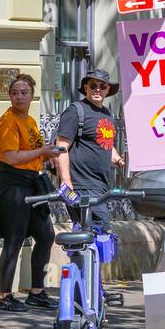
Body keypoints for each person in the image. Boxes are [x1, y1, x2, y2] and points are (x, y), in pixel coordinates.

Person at [0, 74, 58, 312]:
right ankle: (5, 296)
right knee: (13, 240)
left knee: (46, 235)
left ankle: (37, 292)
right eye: (15, 92)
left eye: (24, 92)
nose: (19, 97)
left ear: (31, 95)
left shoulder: (30, 121)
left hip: (32, 182)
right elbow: (11, 156)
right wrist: (41, 152)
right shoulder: (7, 121)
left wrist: (48, 155)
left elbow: (33, 151)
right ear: (10, 96)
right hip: (12, 184)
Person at [53, 68, 125, 229]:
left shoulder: (108, 114)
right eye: (93, 85)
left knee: (87, 234)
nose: (98, 89)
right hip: (80, 185)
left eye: (102, 86)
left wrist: (119, 159)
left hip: (100, 186)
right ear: (86, 88)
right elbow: (61, 148)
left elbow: (106, 144)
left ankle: (81, 253)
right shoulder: (76, 111)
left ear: (108, 90)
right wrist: (66, 182)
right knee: (101, 230)